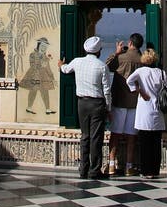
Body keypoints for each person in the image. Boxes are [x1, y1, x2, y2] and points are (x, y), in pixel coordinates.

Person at [58, 36, 112, 180]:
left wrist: (60, 64)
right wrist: (108, 108)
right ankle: (94, 170)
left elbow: (65, 69)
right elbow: (106, 89)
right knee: (96, 137)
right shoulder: (102, 66)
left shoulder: (77, 62)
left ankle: (83, 168)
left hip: (82, 103)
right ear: (99, 51)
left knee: (85, 136)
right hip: (97, 104)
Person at [126, 48, 167, 178]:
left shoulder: (140, 71)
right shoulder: (161, 73)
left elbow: (128, 81)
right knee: (156, 143)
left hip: (144, 110)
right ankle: (154, 170)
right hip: (157, 111)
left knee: (145, 143)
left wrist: (139, 90)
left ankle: (145, 171)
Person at [105, 32, 143, 176]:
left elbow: (106, 66)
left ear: (130, 43)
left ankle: (111, 165)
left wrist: (116, 52)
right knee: (131, 136)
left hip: (119, 101)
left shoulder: (121, 57)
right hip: (135, 103)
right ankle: (129, 166)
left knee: (115, 135)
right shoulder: (142, 59)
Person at [19, 37, 56, 115]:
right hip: (34, 76)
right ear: (39, 45)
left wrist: (52, 78)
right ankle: (29, 107)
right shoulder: (33, 54)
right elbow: (33, 65)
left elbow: (48, 68)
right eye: (43, 46)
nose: (44, 48)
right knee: (33, 91)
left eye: (45, 47)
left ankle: (47, 109)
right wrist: (42, 63)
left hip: (44, 77)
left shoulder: (45, 57)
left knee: (45, 92)